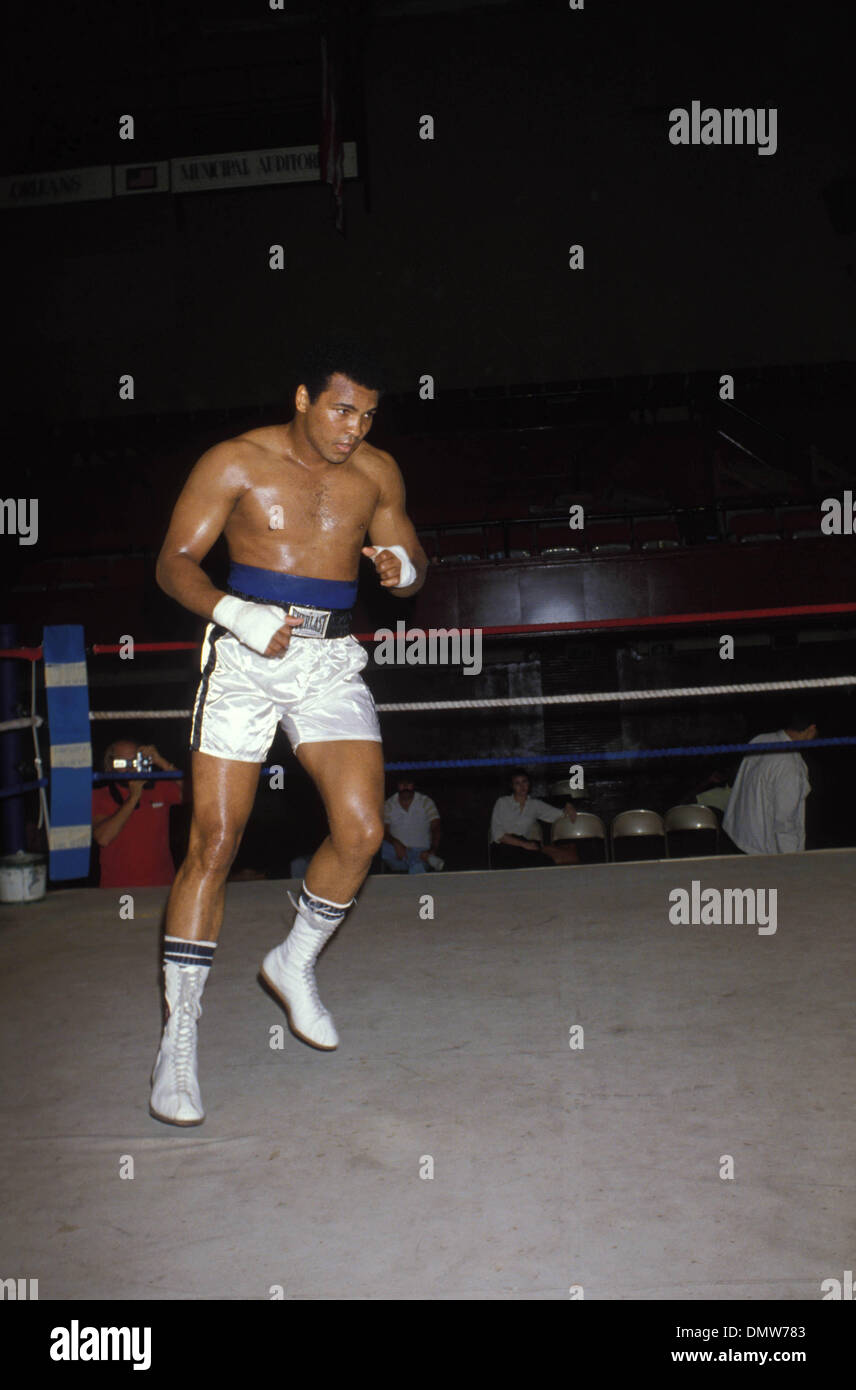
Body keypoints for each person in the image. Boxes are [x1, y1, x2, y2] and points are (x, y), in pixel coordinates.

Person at [149, 341, 428, 1126]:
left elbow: (414, 558)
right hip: (241, 659)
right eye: (343, 409)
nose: (355, 428)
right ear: (303, 397)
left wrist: (401, 572)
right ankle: (178, 1042)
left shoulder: (377, 471)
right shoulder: (234, 461)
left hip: (329, 659)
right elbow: (174, 564)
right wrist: (234, 611)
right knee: (214, 839)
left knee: (362, 830)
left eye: (369, 414)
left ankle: (293, 960)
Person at [722, 709, 817, 855]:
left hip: (736, 835)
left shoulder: (761, 739)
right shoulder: (790, 766)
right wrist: (792, 862)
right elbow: (785, 823)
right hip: (759, 851)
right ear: (811, 729)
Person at [92, 739, 183, 888]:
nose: (130, 769)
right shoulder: (100, 795)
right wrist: (133, 797)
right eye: (123, 764)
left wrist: (162, 762)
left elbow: (199, 794)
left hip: (162, 886)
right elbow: (103, 838)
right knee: (125, 912)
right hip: (120, 889)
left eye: (134, 762)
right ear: (111, 765)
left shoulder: (158, 788)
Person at [490, 770, 579, 868]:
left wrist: (569, 805)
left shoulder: (535, 805)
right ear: (512, 786)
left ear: (529, 784)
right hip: (504, 846)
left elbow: (559, 815)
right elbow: (498, 834)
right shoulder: (502, 802)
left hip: (523, 847)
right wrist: (524, 844)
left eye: (524, 782)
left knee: (546, 862)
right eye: (517, 783)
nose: (522, 786)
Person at [381, 777, 443, 873]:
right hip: (396, 854)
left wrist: (433, 849)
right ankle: (420, 858)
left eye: (408, 784)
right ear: (397, 786)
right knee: (381, 845)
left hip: (423, 850)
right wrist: (396, 843)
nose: (405, 787)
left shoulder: (425, 801)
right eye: (402, 784)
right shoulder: (388, 804)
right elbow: (384, 831)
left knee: (417, 865)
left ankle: (416, 859)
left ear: (413, 785)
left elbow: (436, 828)